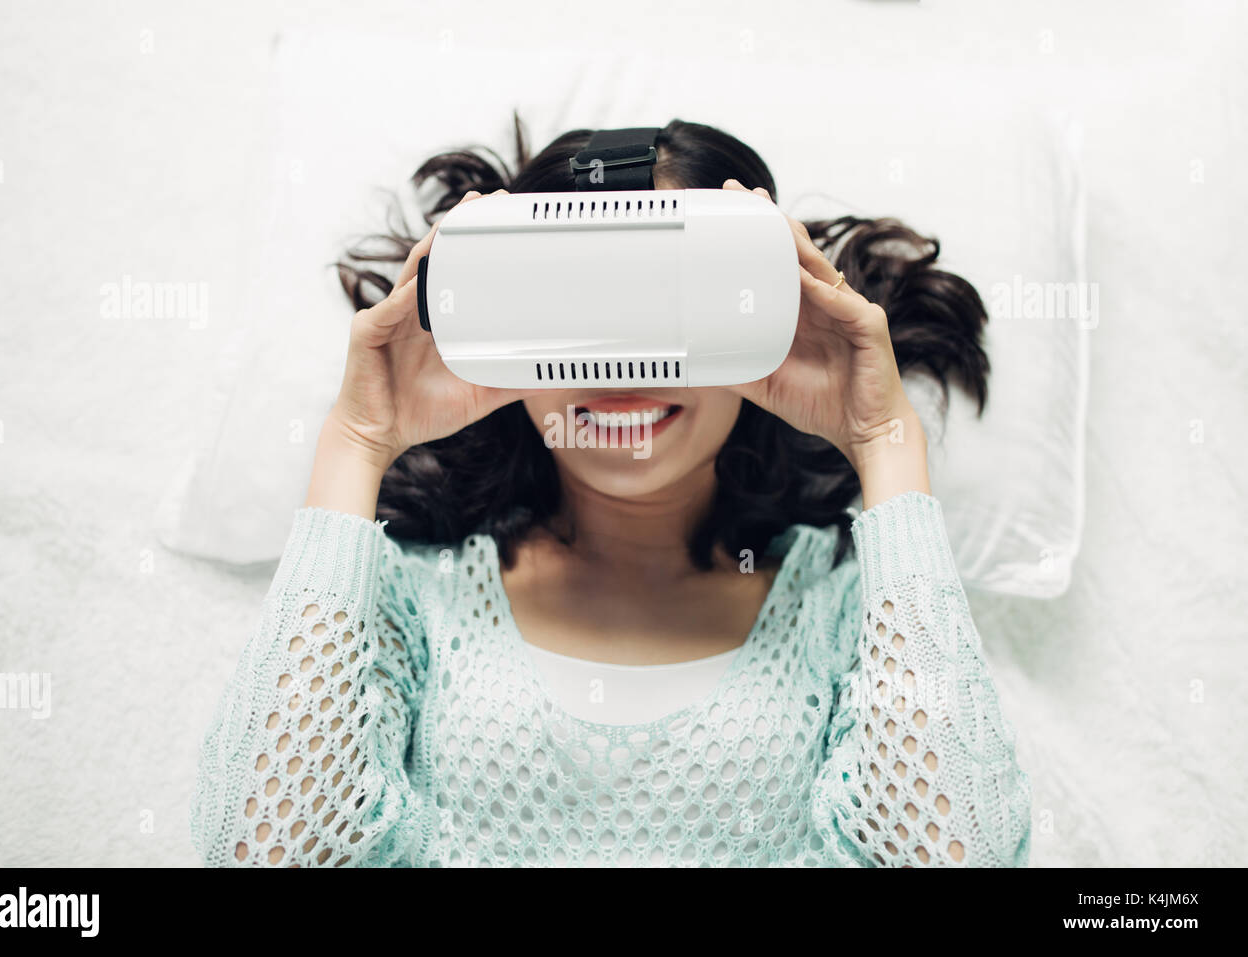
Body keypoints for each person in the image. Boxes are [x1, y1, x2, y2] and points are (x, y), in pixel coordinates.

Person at [189, 118, 1032, 867]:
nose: (623, 373)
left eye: (669, 306)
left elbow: (956, 858)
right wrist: (356, 443)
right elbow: (262, 853)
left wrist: (885, 444)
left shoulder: (848, 612)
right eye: (583, 303)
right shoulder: (413, 597)